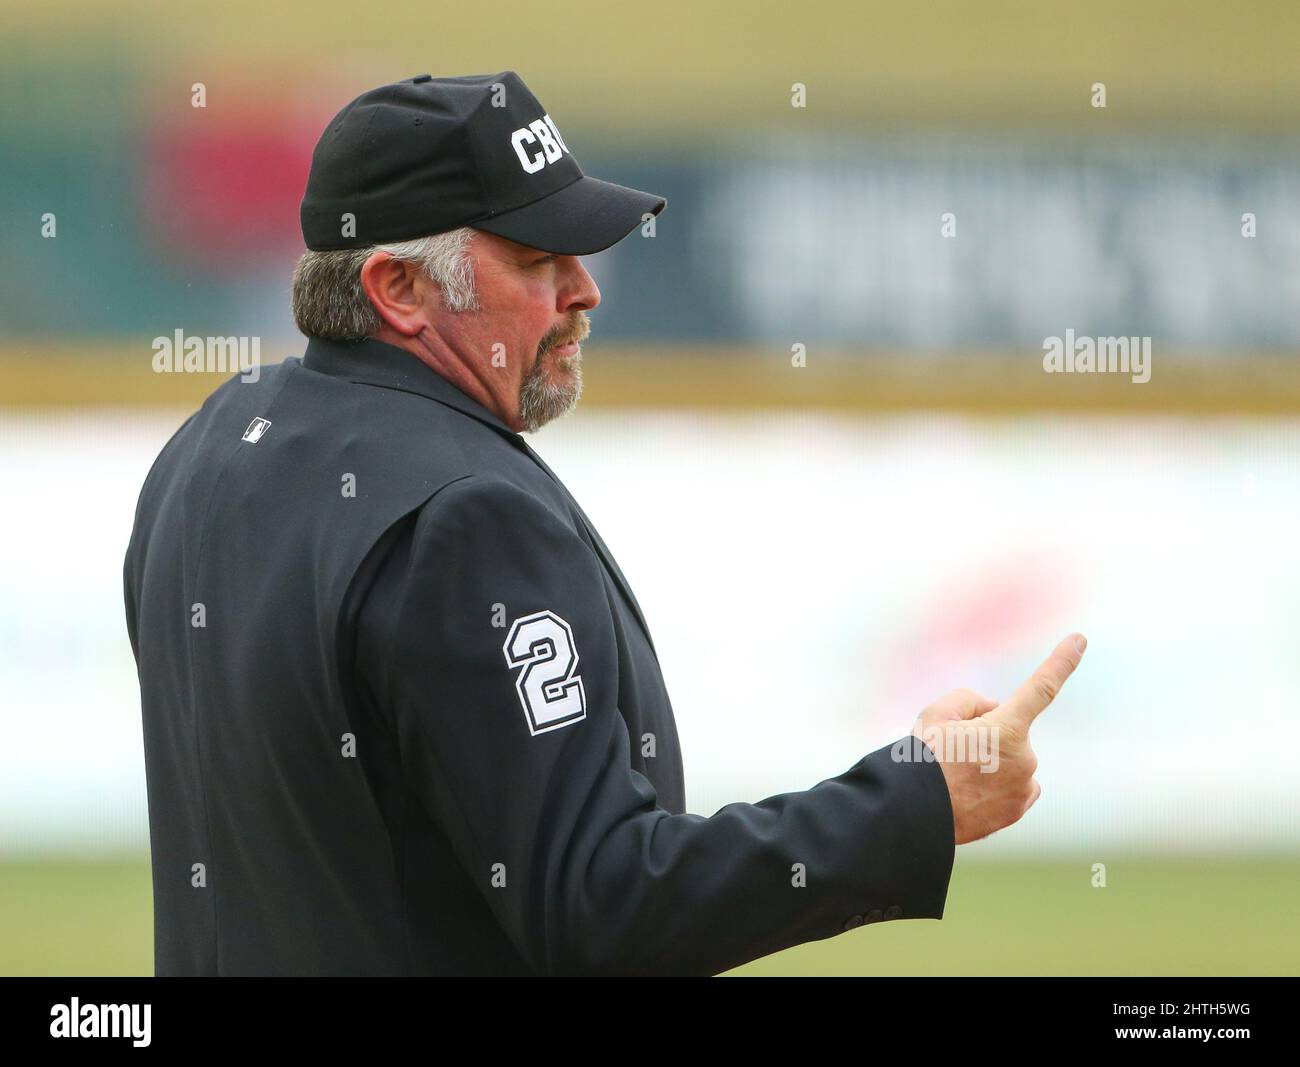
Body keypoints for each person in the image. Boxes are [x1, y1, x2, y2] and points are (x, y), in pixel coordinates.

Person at [123, 69, 1085, 976]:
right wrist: (914, 806)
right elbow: (599, 903)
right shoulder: (470, 514)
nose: (584, 290)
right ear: (398, 290)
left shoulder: (209, 450)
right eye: (536, 259)